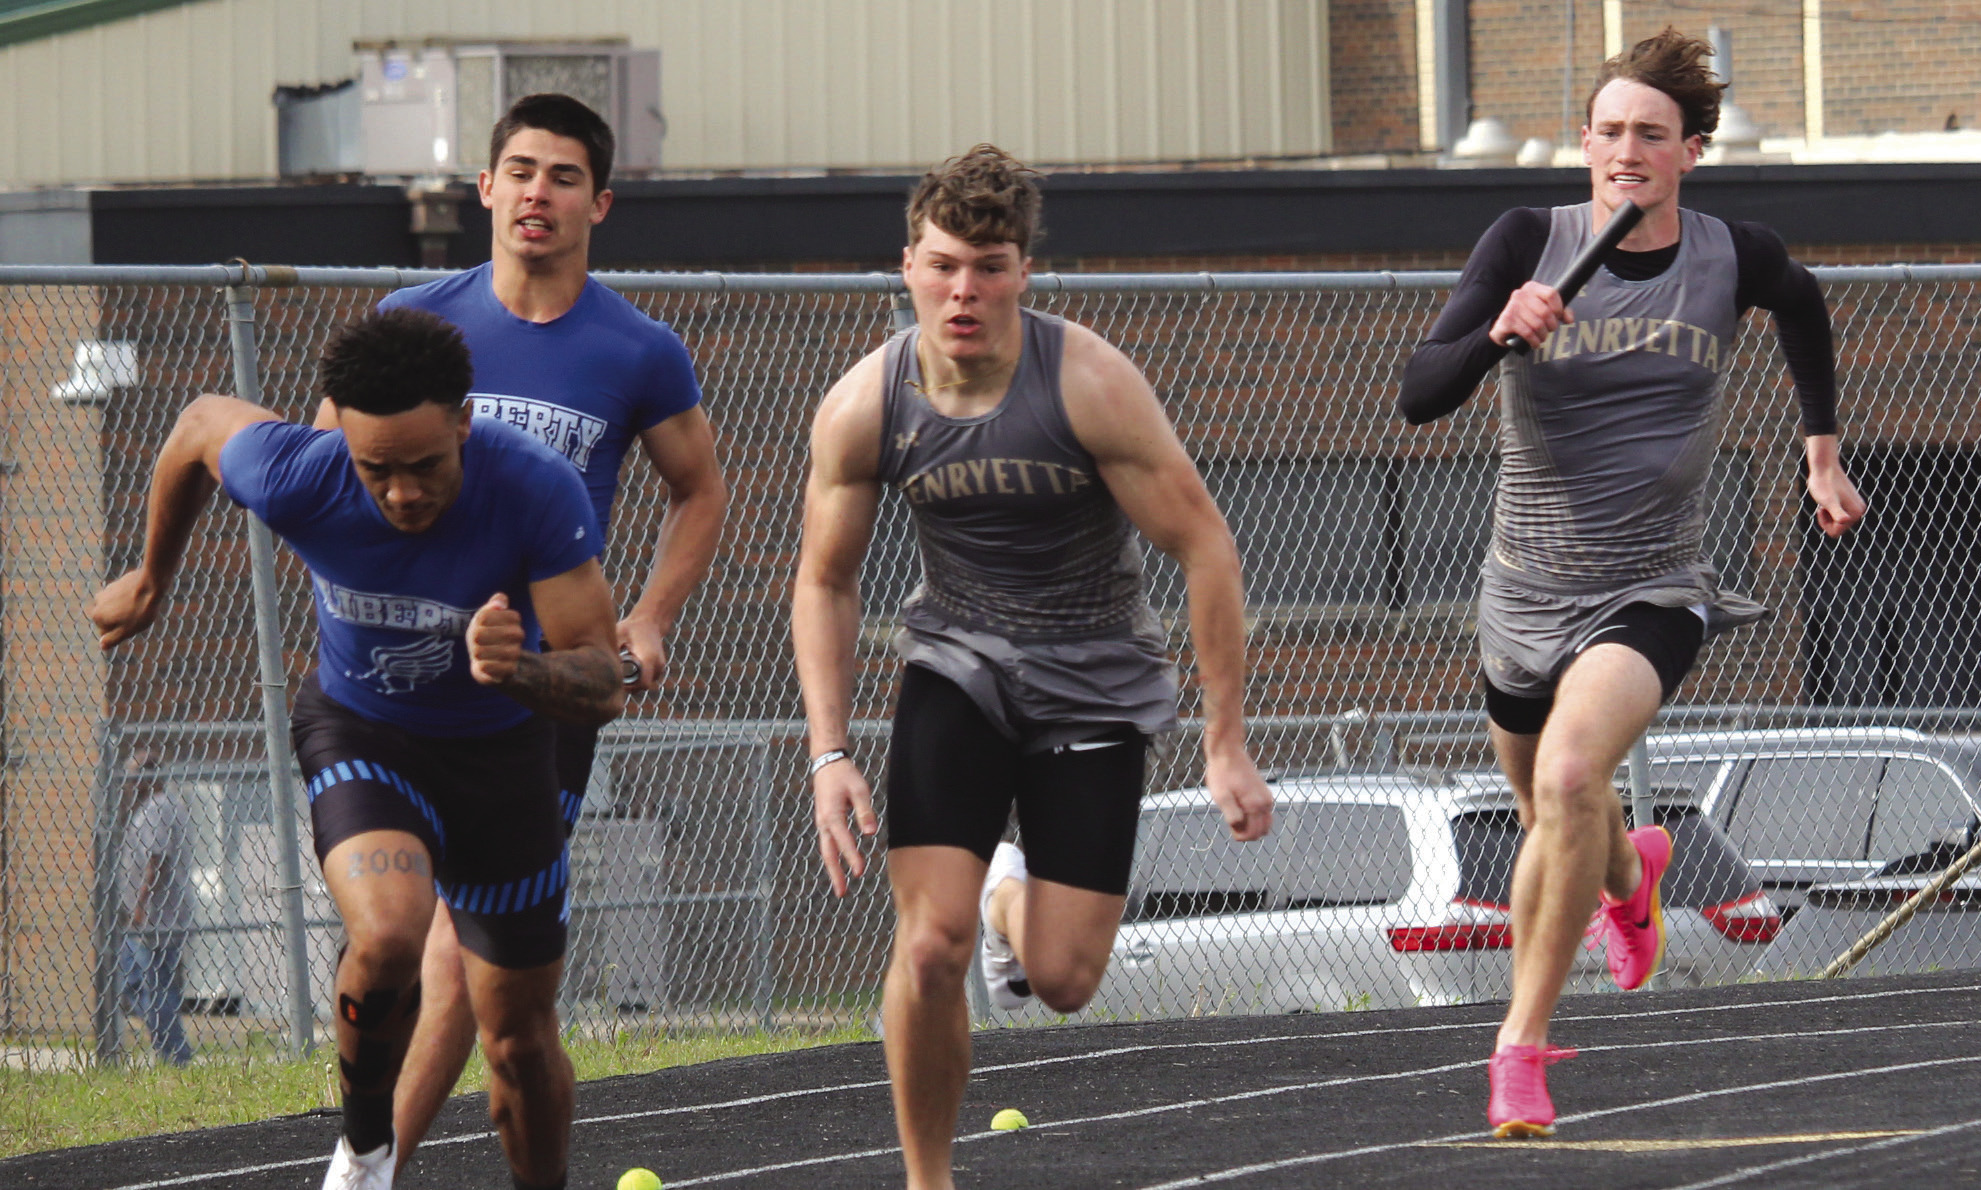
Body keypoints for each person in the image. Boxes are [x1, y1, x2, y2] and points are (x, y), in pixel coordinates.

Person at [1398, 28, 1866, 1138]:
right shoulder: (1528, 239)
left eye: (1650, 135)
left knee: (1570, 776)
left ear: (1689, 152)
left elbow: (1802, 304)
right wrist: (1498, 332)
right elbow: (1419, 394)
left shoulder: (1732, 255)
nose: (1625, 152)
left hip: (1650, 585)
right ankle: (1630, 873)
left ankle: (1519, 1048)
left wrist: (1820, 451)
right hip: (1523, 591)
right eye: (1607, 132)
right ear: (1583, 143)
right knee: (1553, 809)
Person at [792, 144, 1275, 1190]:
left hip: (1093, 680)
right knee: (929, 945)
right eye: (942, 265)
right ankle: (928, 1179)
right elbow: (825, 580)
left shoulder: (1088, 383)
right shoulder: (866, 404)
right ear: (907, 266)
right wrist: (828, 751)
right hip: (957, 668)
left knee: (1062, 978)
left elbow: (1204, 545)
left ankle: (1006, 895)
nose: (963, 291)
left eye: (989, 267)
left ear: (1023, 272)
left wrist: (1224, 740)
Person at [89, 307, 626, 1190]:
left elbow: (604, 682)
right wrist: (153, 578)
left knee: (519, 1046)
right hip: (364, 735)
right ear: (342, 436)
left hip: (501, 759)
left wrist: (520, 668)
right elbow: (195, 427)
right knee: (388, 933)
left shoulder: (533, 486)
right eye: (378, 470)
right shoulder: (300, 472)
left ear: (464, 422)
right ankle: (367, 1151)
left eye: (425, 466)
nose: (403, 493)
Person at [341, 92, 727, 1173]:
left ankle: (364, 1168)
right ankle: (371, 1153)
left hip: (541, 686)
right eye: (519, 170)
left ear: (598, 202)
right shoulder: (415, 322)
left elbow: (699, 490)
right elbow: (334, 471)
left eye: (563, 176)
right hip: (411, 678)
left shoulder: (637, 349)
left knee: (461, 950)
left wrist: (648, 618)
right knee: (399, 929)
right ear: (485, 187)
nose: (536, 193)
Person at [114, 746, 195, 1067]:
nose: (128, 783)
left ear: (148, 778)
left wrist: (140, 906)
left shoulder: (157, 808)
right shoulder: (157, 806)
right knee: (134, 980)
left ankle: (176, 1054)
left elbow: (157, 861)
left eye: (132, 777)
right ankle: (171, 1047)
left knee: (153, 984)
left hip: (156, 917)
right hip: (157, 916)